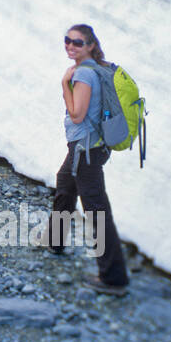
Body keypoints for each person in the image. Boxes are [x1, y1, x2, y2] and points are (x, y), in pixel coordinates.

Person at [47, 23, 130, 295]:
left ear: (91, 45)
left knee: (96, 210)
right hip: (88, 147)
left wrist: (64, 84)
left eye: (77, 42)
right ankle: (55, 241)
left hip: (86, 150)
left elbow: (77, 114)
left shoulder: (83, 74)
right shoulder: (97, 66)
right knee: (64, 185)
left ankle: (114, 279)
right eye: (67, 40)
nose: (70, 46)